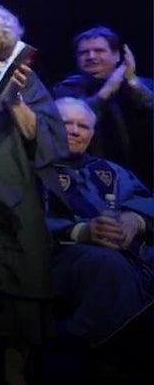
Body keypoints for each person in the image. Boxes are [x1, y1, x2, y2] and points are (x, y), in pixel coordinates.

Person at [0, 0, 66, 385]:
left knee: (18, 316)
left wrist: (15, 99)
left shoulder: (23, 79)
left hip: (14, 200)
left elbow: (44, 138)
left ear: (0, 36)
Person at [45, 97, 153, 381]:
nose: (75, 130)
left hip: (132, 252)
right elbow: (24, 224)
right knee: (107, 265)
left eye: (83, 126)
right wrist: (83, 232)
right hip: (63, 255)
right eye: (66, 123)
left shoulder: (110, 171)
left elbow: (145, 200)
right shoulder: (31, 170)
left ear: (92, 134)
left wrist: (135, 220)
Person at [53, 26, 153, 189]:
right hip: (89, 177)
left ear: (117, 56)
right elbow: (75, 118)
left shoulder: (144, 85)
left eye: (99, 50)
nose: (91, 56)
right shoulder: (66, 89)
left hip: (143, 173)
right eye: (84, 52)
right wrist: (107, 90)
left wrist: (133, 82)